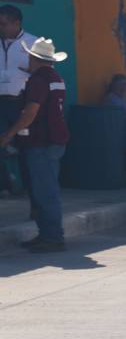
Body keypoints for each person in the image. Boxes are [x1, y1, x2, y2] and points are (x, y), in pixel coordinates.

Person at [0, 38, 70, 253]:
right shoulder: (55, 77)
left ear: (34, 58)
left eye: (29, 56)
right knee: (46, 189)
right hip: (55, 140)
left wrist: (8, 135)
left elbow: (30, 112)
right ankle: (47, 234)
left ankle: (52, 237)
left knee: (44, 191)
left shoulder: (38, 81)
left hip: (41, 142)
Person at [0, 4, 37, 198]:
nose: (1, 27)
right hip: (0, 102)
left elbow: (44, 73)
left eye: (4, 24)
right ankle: (5, 185)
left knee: (26, 151)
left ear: (17, 23)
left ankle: (33, 197)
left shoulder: (32, 43)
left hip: (21, 105)